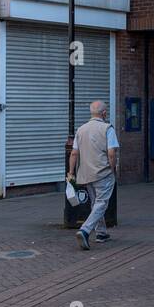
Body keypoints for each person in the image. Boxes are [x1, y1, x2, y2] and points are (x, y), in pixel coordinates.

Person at [67, 100, 118, 250]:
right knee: (102, 203)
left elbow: (74, 153)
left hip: (86, 173)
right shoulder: (107, 128)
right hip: (103, 172)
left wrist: (71, 172)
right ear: (104, 113)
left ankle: (101, 233)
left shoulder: (80, 130)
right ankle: (85, 230)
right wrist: (112, 168)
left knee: (96, 203)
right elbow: (111, 153)